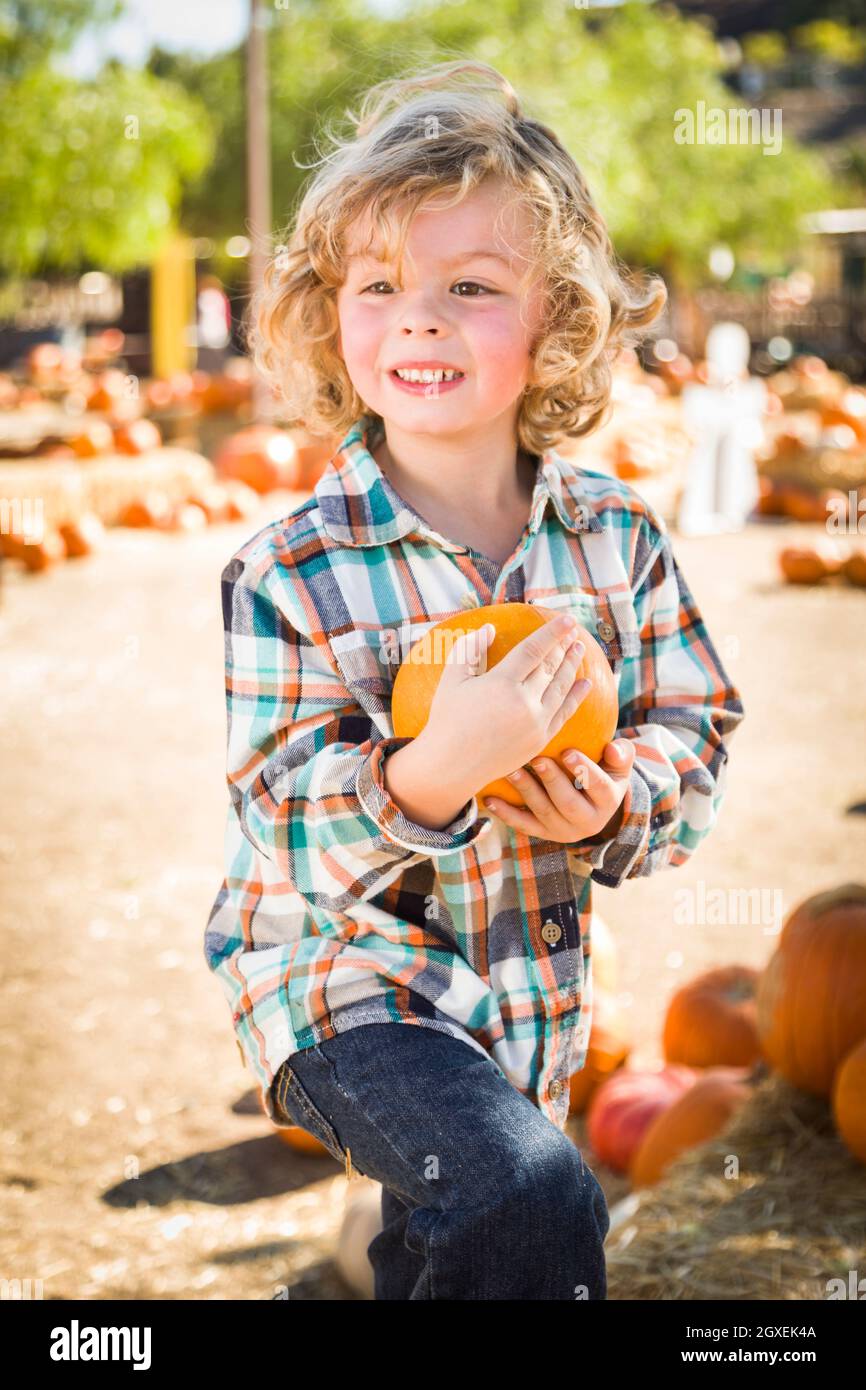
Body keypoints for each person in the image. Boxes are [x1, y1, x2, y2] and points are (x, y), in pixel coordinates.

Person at [204, 59, 745, 1300]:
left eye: (470, 287)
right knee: (526, 1190)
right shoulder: (289, 569)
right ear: (328, 312)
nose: (418, 318)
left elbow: (693, 722)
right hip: (338, 984)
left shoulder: (614, 539)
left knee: (479, 1231)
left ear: (555, 317)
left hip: (524, 995)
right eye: (379, 285)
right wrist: (436, 765)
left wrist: (619, 800)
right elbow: (280, 816)